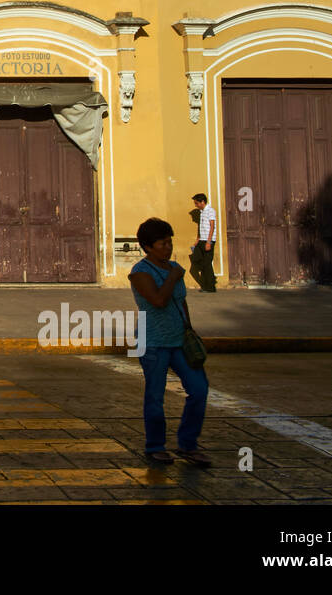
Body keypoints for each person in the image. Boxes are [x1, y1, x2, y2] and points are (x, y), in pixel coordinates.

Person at [128, 217, 211, 467]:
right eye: (162, 243)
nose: (168, 247)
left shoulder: (174, 267)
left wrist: (189, 329)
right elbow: (158, 300)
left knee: (199, 389)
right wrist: (173, 276)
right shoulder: (140, 272)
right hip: (152, 341)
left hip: (179, 340)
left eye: (169, 242)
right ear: (147, 247)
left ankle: (188, 444)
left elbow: (181, 301)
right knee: (155, 396)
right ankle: (155, 446)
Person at [190, 192, 217, 292]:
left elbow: (212, 226)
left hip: (208, 241)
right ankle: (207, 285)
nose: (196, 205)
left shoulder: (210, 211)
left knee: (207, 264)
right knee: (200, 262)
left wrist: (209, 242)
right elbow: (201, 227)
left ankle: (210, 287)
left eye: (197, 203)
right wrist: (197, 240)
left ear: (202, 202)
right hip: (202, 240)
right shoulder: (202, 212)